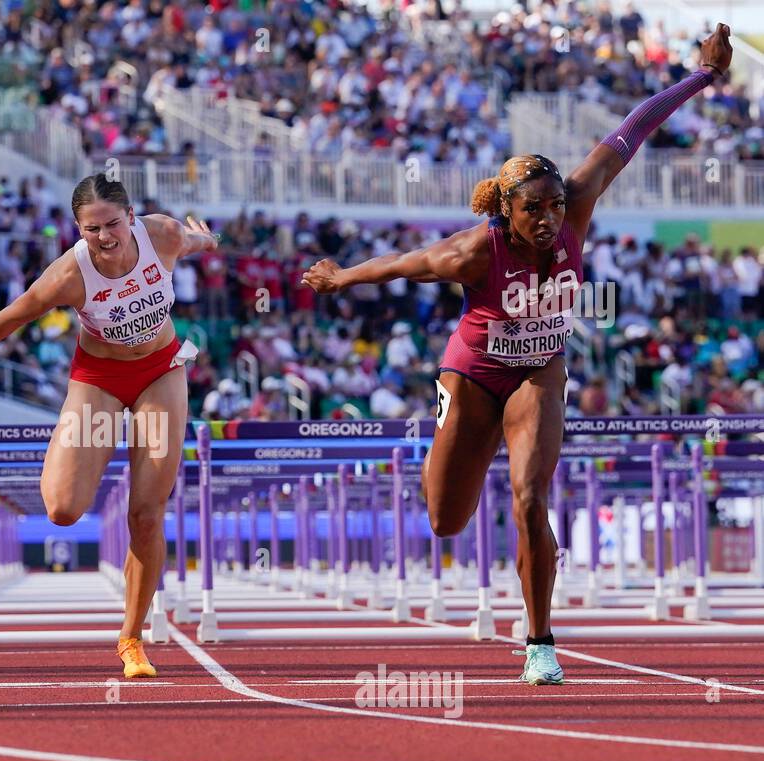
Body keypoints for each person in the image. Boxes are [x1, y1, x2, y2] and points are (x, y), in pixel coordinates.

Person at [303, 25, 734, 686]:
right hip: (474, 374)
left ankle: (539, 640)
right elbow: (403, 265)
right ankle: (443, 448)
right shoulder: (474, 250)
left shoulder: (577, 209)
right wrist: (340, 278)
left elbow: (636, 126)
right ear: (506, 210)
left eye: (556, 206)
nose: (548, 219)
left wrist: (702, 78)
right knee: (447, 521)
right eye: (534, 209)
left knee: (530, 496)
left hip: (539, 370)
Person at [0, 173, 216, 678]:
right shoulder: (71, 272)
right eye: (92, 230)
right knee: (63, 509)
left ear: (131, 217)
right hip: (99, 377)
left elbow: (198, 241)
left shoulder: (163, 236)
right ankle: (68, 451)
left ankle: (132, 637)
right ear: (78, 229)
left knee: (147, 513)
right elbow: (16, 313)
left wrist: (209, 236)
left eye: (112, 224)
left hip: (161, 370)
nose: (105, 238)